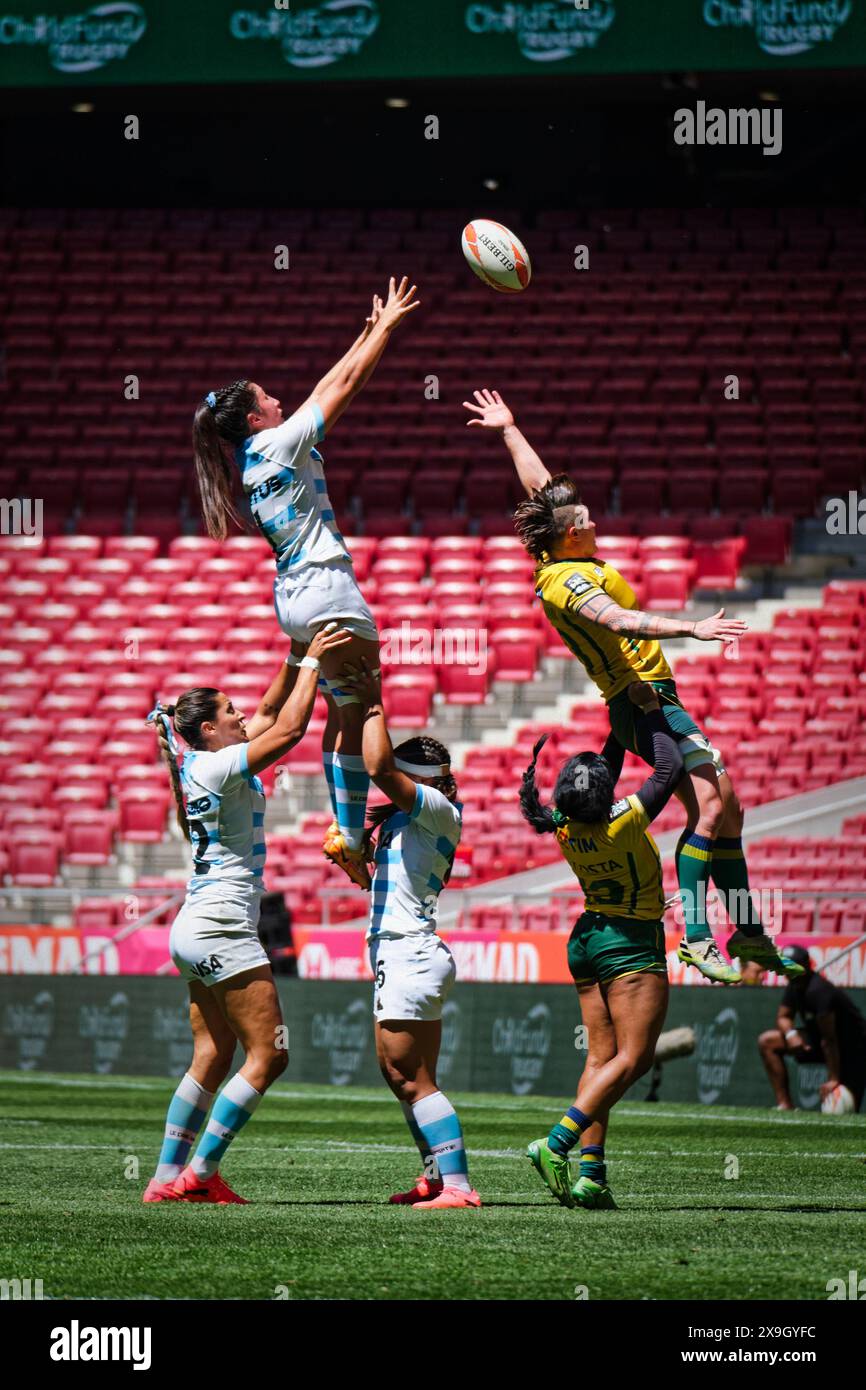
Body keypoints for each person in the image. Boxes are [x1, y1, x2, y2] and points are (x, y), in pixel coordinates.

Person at [462, 387, 803, 989]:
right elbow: (618, 621)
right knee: (713, 807)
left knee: (728, 810)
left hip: (652, 698)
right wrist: (691, 627)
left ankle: (746, 928)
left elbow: (547, 494)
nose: (593, 519)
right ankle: (700, 938)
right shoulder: (565, 582)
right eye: (584, 519)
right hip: (640, 701)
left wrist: (509, 429)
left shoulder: (568, 552)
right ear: (568, 537)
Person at [192, 278, 420, 891]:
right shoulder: (279, 443)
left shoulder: (251, 462)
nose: (280, 400)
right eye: (269, 398)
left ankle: (347, 830)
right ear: (253, 418)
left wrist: (367, 330)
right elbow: (340, 388)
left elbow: (324, 383)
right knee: (364, 706)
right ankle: (356, 827)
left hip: (291, 600)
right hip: (326, 589)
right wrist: (388, 331)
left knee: (343, 709)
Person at [142, 621, 351, 1204]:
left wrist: (295, 652)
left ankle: (163, 1177)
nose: (241, 714)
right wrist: (312, 667)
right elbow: (288, 726)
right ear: (209, 729)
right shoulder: (217, 765)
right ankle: (199, 1176)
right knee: (271, 1054)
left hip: (194, 926)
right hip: (222, 927)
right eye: (229, 712)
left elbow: (266, 706)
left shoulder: (204, 761)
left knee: (213, 1054)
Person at [520, 681, 683, 1210]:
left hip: (587, 938)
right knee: (633, 1060)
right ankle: (558, 1143)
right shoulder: (627, 818)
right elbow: (669, 770)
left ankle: (593, 1174)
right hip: (630, 942)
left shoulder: (562, 825)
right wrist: (651, 711)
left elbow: (607, 779)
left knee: (601, 1057)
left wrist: (618, 722)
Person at [341, 656, 480, 1210]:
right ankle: (436, 1179)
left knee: (410, 1075)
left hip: (410, 953)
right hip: (400, 952)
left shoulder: (438, 808)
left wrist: (369, 700)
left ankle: (461, 1188)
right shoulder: (409, 819)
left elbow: (376, 767)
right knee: (403, 1075)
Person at [758, 945, 866, 1112]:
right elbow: (783, 1016)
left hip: (853, 1048)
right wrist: (791, 1034)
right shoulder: (794, 986)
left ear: (806, 967)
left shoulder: (819, 991)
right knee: (768, 1041)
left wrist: (833, 1079)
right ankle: (785, 1105)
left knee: (845, 1109)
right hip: (820, 1041)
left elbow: (829, 1039)